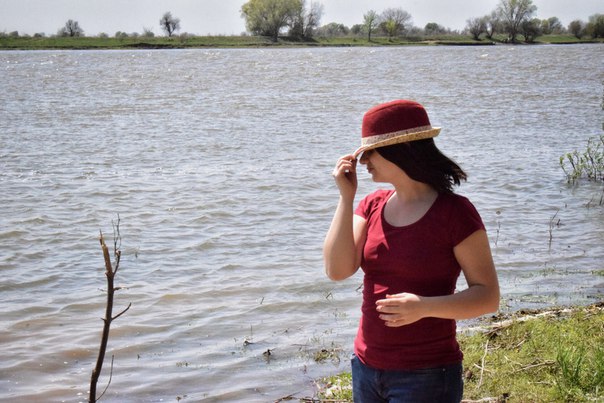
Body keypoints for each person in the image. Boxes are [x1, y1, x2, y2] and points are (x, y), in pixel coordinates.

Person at [323, 100, 499, 403]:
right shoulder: (371, 205)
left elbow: (487, 297)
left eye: (370, 152)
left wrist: (423, 307)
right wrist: (346, 197)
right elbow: (336, 270)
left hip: (426, 374)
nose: (363, 161)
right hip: (365, 367)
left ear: (400, 149)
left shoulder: (455, 212)